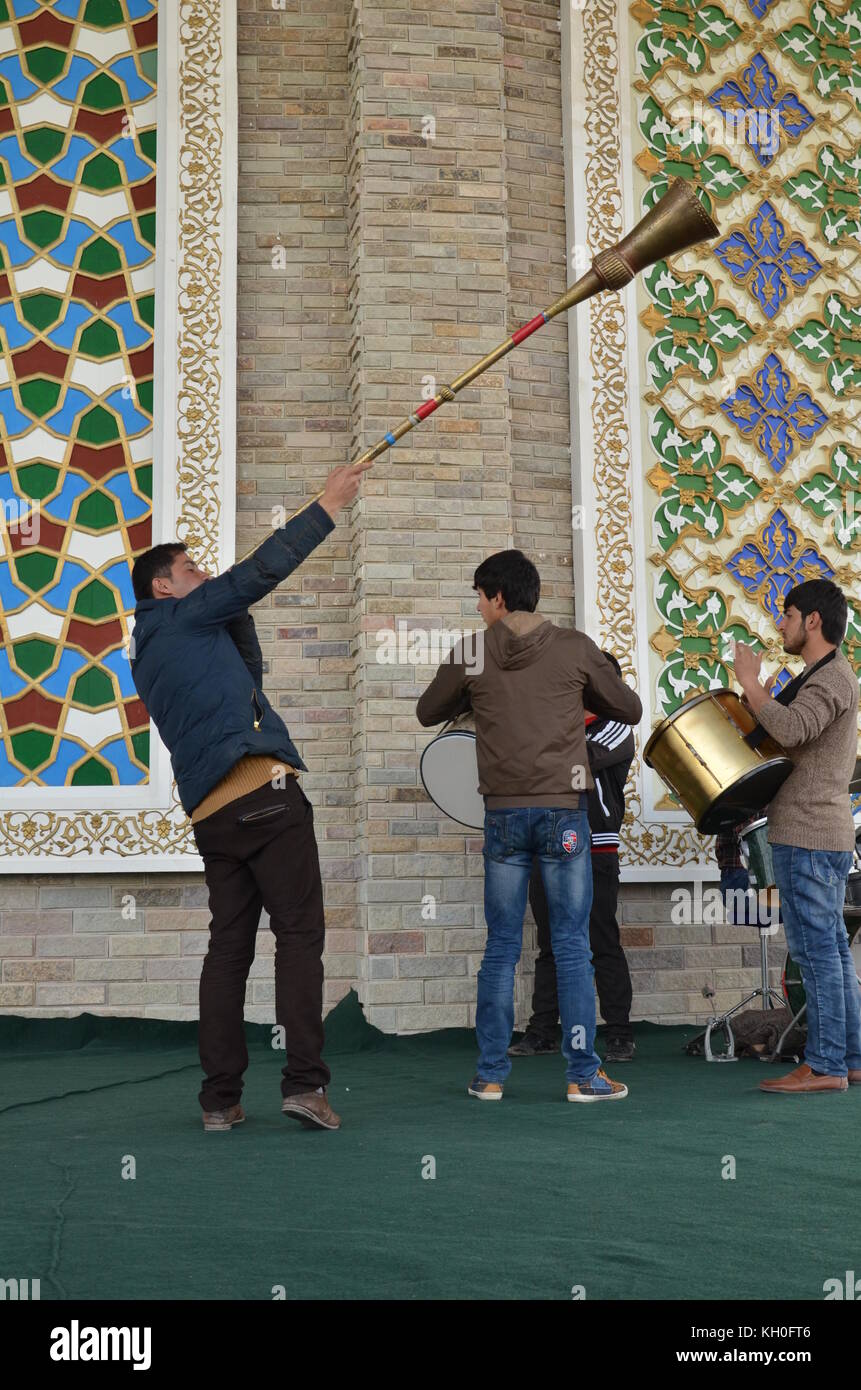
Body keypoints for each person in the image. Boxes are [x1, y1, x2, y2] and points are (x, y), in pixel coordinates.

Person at [129, 461, 370, 1132]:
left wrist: (227, 598)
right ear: (163, 586)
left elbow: (247, 673)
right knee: (299, 937)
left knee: (227, 946)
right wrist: (325, 505)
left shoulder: (151, 650)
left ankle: (219, 1101)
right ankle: (304, 1086)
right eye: (191, 569)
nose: (203, 575)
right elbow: (255, 575)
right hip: (264, 798)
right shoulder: (182, 618)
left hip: (214, 818)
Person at [416, 550, 642, 1103]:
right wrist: (579, 689)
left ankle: (490, 1075)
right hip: (565, 814)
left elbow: (427, 711)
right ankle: (583, 1075)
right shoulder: (574, 647)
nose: (478, 607)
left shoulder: (473, 652)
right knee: (571, 945)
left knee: (501, 947)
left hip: (502, 816)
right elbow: (630, 709)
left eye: (479, 597)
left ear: (498, 597)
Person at [733, 579, 861, 1094]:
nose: (780, 625)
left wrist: (749, 682)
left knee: (814, 954)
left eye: (786, 615)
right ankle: (849, 1058)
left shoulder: (831, 679)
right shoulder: (825, 675)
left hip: (809, 836)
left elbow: (791, 729)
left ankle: (826, 1064)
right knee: (830, 949)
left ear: (812, 621)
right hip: (815, 835)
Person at [509, 652, 637, 1063]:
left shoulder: (617, 725)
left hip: (595, 844)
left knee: (601, 939)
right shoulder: (555, 725)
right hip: (545, 844)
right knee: (550, 943)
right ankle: (544, 1029)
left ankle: (618, 1033)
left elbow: (577, 764)